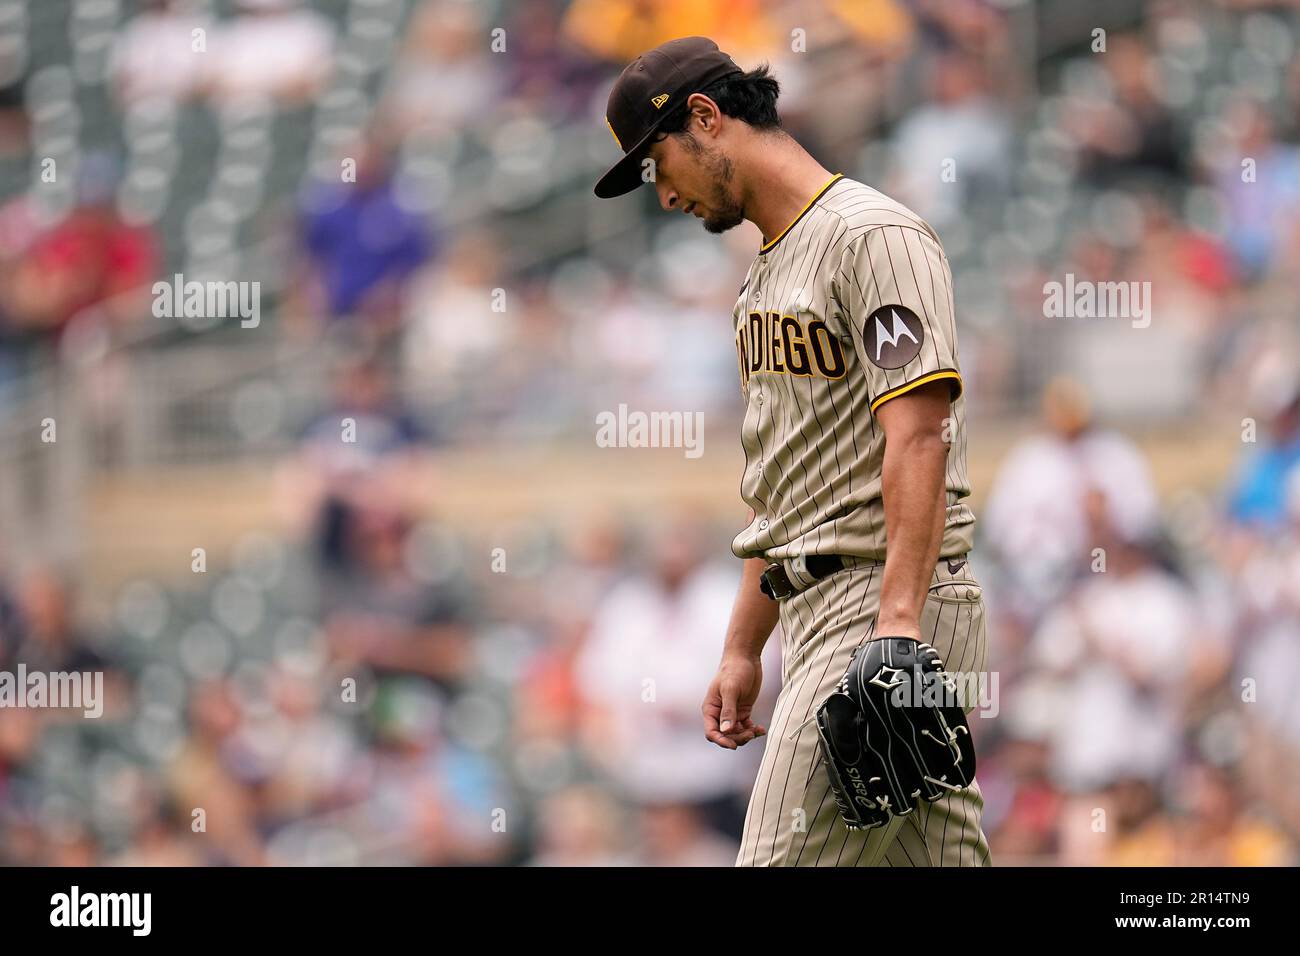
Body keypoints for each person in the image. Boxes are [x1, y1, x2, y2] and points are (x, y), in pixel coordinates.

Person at [594, 37, 988, 867]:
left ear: (705, 117)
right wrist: (742, 645)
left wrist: (899, 624)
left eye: (658, 163)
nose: (662, 194)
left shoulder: (873, 235)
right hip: (815, 611)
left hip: (879, 600)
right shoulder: (762, 281)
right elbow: (780, 486)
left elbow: (919, 431)